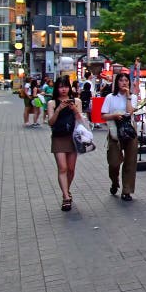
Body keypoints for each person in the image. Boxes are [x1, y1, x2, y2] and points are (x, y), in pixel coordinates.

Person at [47, 76, 84, 211]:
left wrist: (74, 109)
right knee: (62, 167)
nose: (64, 89)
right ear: (57, 88)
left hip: (73, 137)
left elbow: (81, 120)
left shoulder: (77, 101)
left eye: (66, 86)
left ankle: (66, 190)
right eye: (61, 87)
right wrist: (58, 109)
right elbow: (51, 122)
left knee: (71, 169)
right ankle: (66, 197)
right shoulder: (52, 103)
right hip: (58, 137)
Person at [101, 73, 137, 202]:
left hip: (129, 131)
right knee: (114, 162)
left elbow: (130, 112)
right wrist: (114, 116)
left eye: (126, 80)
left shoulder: (133, 97)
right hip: (114, 131)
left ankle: (127, 190)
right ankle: (114, 181)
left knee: (130, 161)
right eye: (121, 80)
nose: (124, 83)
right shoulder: (110, 97)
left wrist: (128, 97)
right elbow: (103, 115)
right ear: (117, 83)